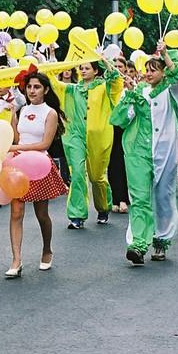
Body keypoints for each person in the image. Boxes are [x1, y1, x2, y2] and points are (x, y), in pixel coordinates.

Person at [111, 43, 178, 265]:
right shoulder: (138, 92)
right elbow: (119, 120)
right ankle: (138, 244)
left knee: (163, 197)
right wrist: (129, 98)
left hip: (165, 152)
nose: (147, 73)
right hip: (138, 152)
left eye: (153, 69)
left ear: (164, 70)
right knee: (139, 198)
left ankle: (160, 240)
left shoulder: (173, 89)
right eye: (146, 69)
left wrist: (165, 54)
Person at [4, 68, 67, 278]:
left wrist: (15, 148)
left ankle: (47, 249)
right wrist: (12, 117)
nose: (32, 90)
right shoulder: (22, 110)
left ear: (46, 90)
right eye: (29, 87)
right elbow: (17, 137)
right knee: (16, 212)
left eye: (37, 87)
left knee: (41, 214)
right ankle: (16, 259)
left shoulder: (50, 113)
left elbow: (44, 143)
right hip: (18, 165)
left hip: (39, 164)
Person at [51, 59, 122, 228]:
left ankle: (103, 207)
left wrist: (105, 61)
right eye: (81, 68)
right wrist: (48, 63)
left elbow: (117, 81)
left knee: (97, 177)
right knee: (76, 173)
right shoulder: (73, 89)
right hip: (75, 136)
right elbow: (54, 84)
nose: (83, 71)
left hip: (98, 137)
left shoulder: (104, 87)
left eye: (87, 68)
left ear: (96, 71)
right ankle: (77, 215)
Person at [107, 57, 132, 214]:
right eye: (114, 65)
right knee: (111, 163)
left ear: (125, 69)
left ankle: (123, 198)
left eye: (120, 66)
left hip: (126, 127)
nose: (117, 68)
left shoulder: (129, 86)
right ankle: (114, 199)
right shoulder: (107, 86)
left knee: (123, 163)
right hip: (109, 127)